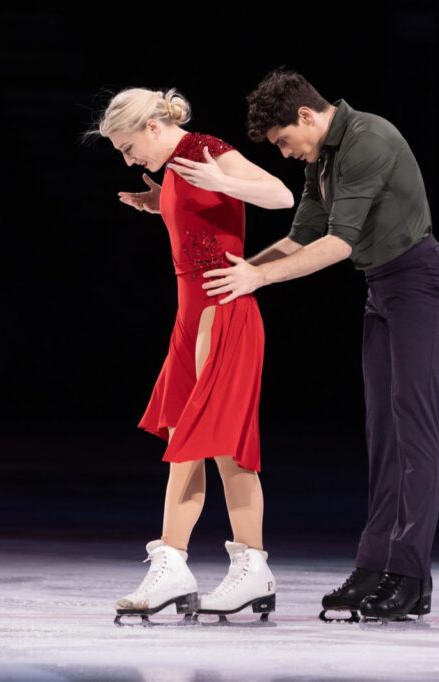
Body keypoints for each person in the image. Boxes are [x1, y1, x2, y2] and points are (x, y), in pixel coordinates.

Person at [202, 68, 439, 622]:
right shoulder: (322, 158)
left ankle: (411, 576)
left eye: (282, 142)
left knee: (415, 434)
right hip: (383, 289)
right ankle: (375, 566)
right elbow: (300, 236)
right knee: (383, 436)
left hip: (423, 282)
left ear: (305, 116)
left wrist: (260, 280)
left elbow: (338, 244)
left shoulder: (368, 138)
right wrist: (242, 271)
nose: (285, 152)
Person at [86, 87, 293, 625]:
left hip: (223, 308)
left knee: (222, 444)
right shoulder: (176, 170)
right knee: (185, 438)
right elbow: (202, 223)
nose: (131, 161)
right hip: (190, 315)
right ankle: (176, 562)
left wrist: (225, 181)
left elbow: (280, 196)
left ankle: (248, 568)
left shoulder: (203, 151)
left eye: (130, 148)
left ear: (152, 128)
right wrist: (164, 203)